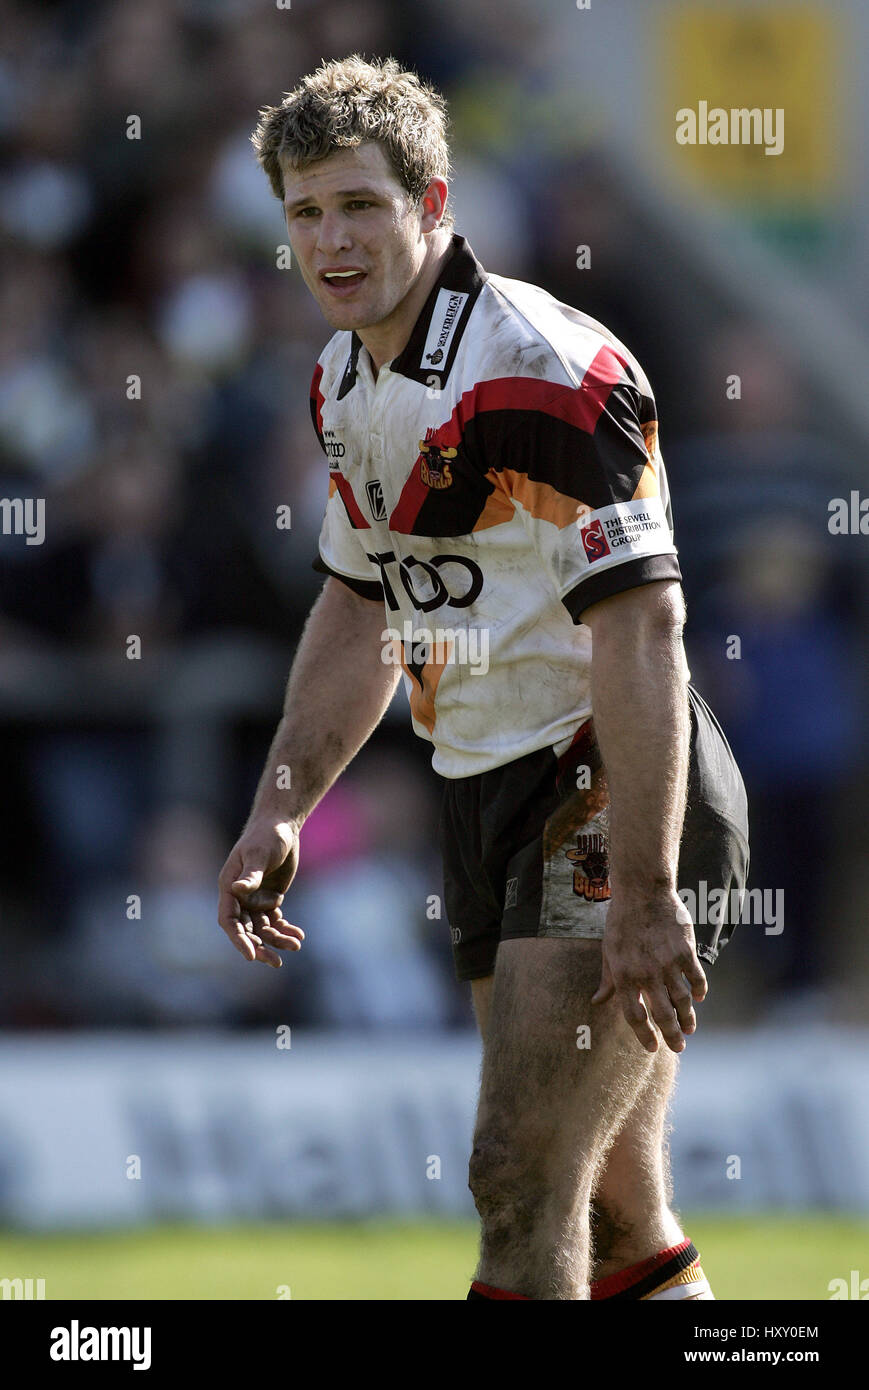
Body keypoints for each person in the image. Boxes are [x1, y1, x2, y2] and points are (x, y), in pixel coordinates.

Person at [217, 54, 749, 1301]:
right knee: (613, 1212)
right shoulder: (342, 376)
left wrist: (647, 878)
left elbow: (643, 628)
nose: (331, 240)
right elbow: (360, 604)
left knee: (515, 1178)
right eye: (304, 211)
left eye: (360, 204)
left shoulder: (542, 369)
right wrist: (281, 802)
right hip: (484, 785)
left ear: (433, 202)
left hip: (602, 783)